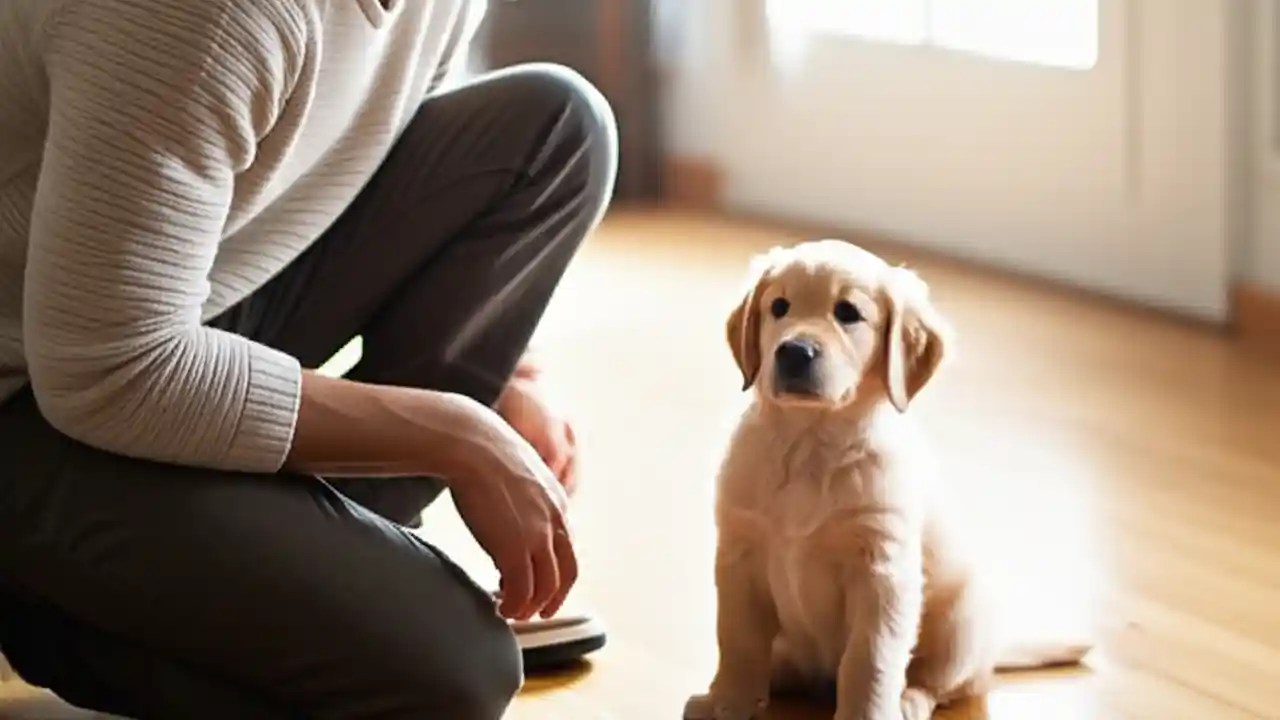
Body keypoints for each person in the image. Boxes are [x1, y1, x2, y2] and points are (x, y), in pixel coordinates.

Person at [0, 0, 617, 717]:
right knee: (449, 675)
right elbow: (108, 371)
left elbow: (382, 119)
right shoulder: (206, 18)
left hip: (178, 297)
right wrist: (459, 435)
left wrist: (513, 376)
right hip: (32, 387)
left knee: (555, 127)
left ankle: (337, 561)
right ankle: (51, 599)